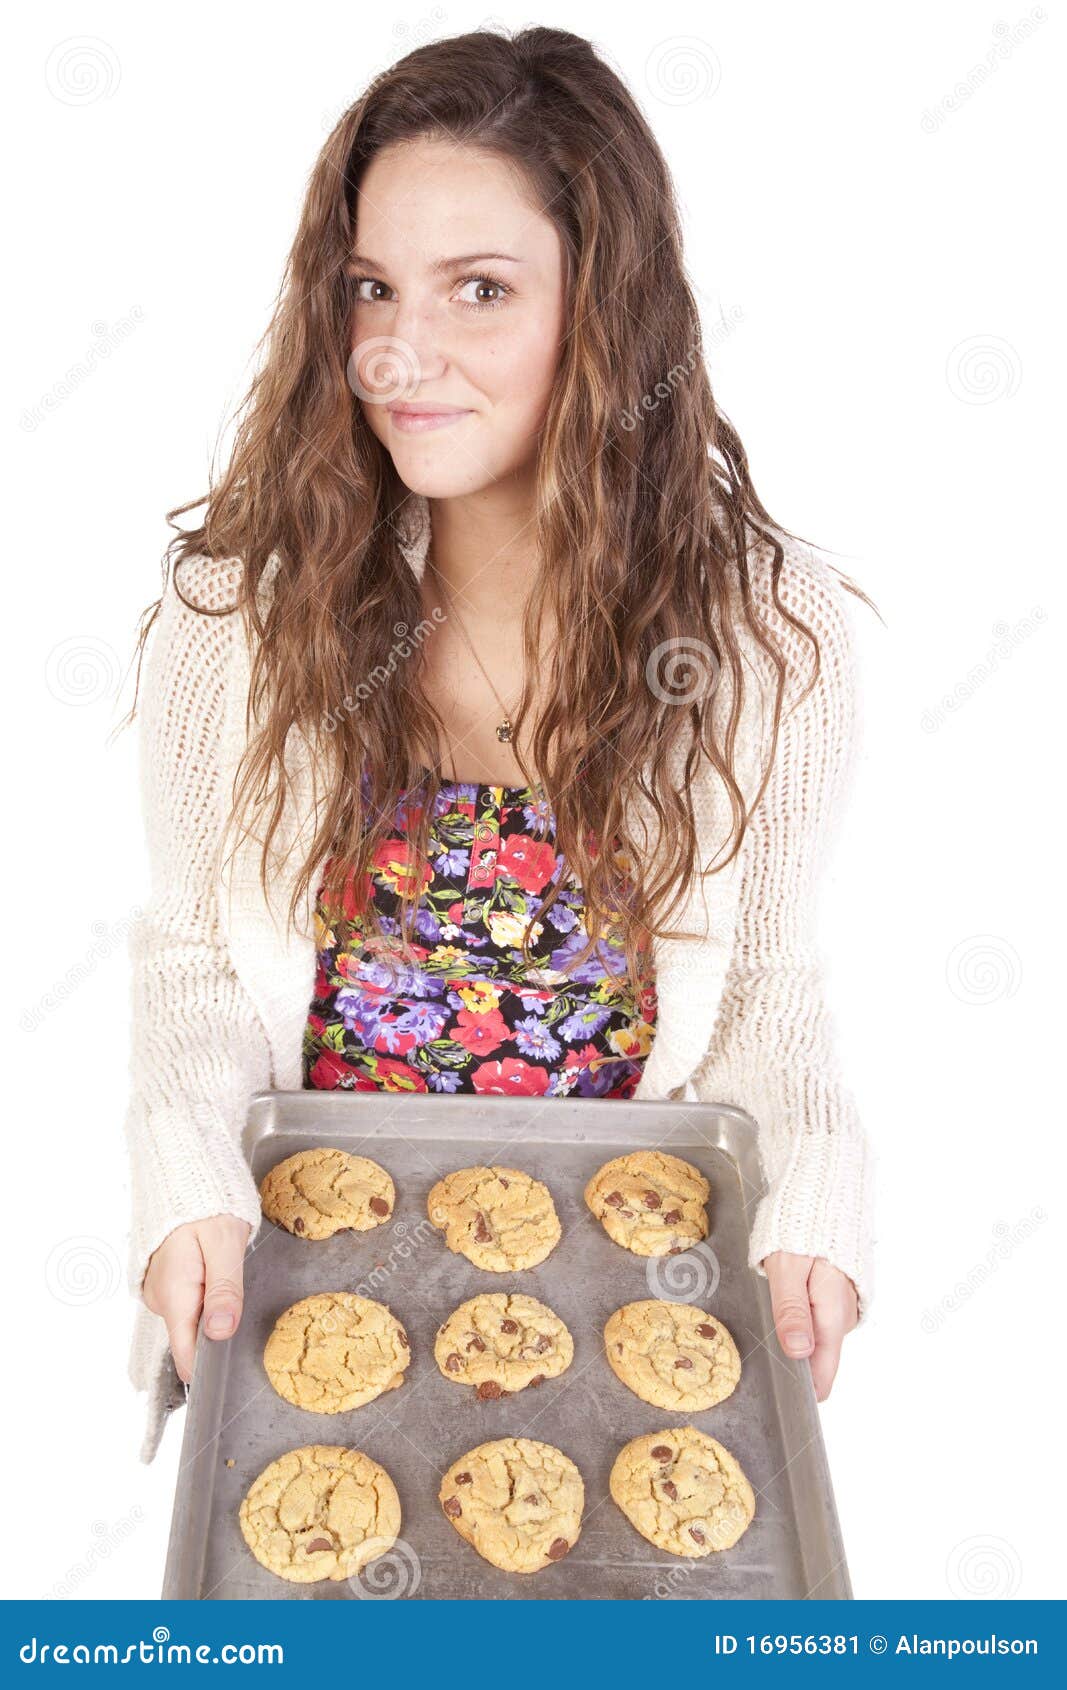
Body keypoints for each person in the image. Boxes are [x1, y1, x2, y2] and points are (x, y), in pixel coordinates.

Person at [121, 25, 878, 1463]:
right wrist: (181, 1181)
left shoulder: (780, 638)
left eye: (480, 290)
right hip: (305, 1306)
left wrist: (823, 1196)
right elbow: (195, 961)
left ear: (605, 311)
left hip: (615, 1325)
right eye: (373, 289)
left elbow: (772, 990)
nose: (400, 353)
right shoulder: (238, 616)